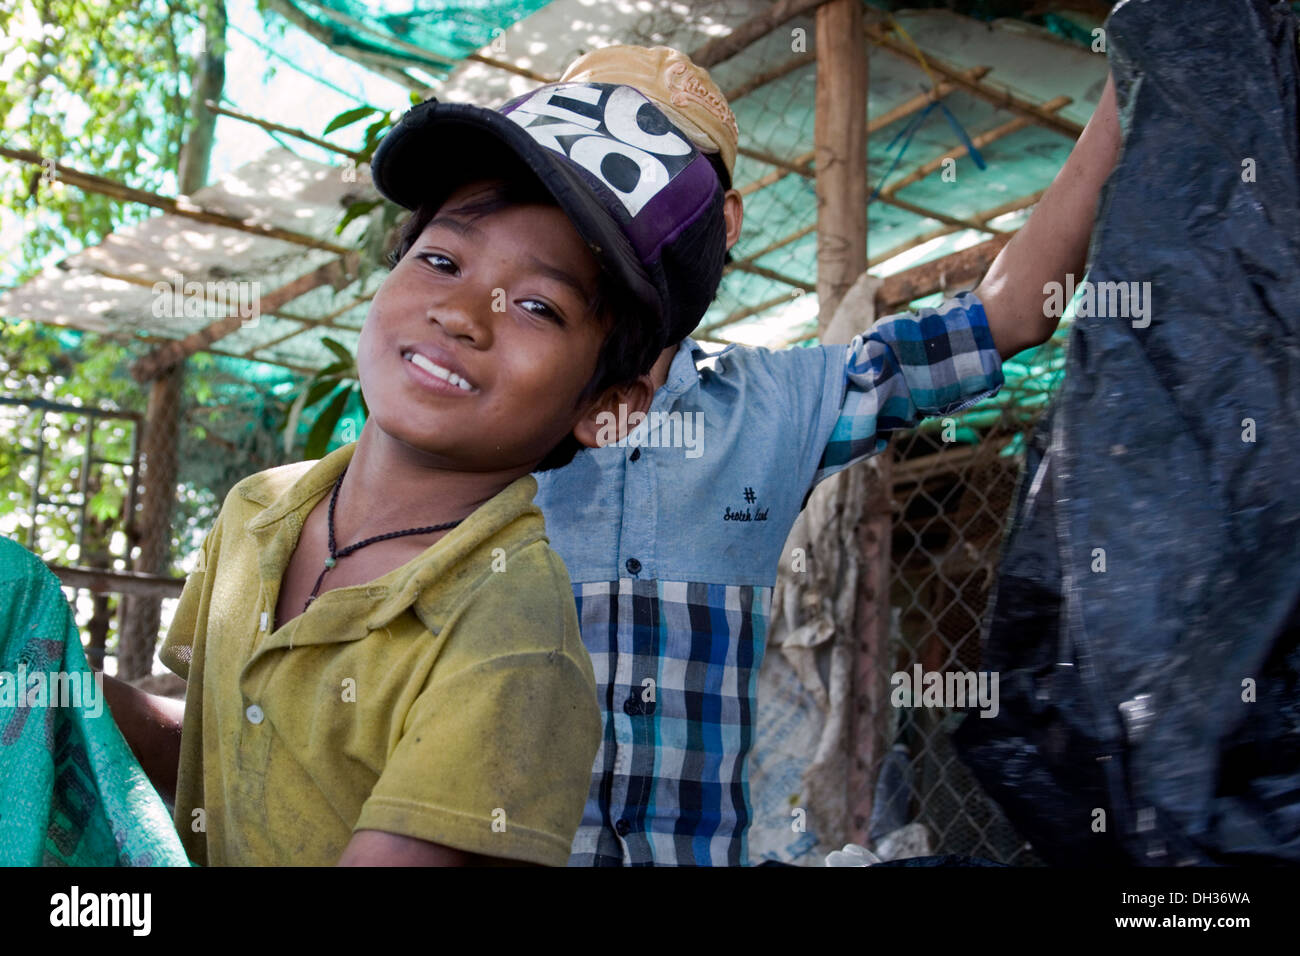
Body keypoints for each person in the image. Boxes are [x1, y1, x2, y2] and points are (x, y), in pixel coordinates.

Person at [372, 45, 1122, 865]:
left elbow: (1009, 314)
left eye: (650, 169)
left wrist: (1126, 89)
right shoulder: (479, 412)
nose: (611, 198)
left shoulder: (779, 406)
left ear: (720, 223)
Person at [101, 114, 704, 864]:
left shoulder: (510, 645)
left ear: (606, 407)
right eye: (443, 262)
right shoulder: (257, 512)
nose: (459, 313)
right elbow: (226, 748)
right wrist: (65, 693)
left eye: (538, 307)